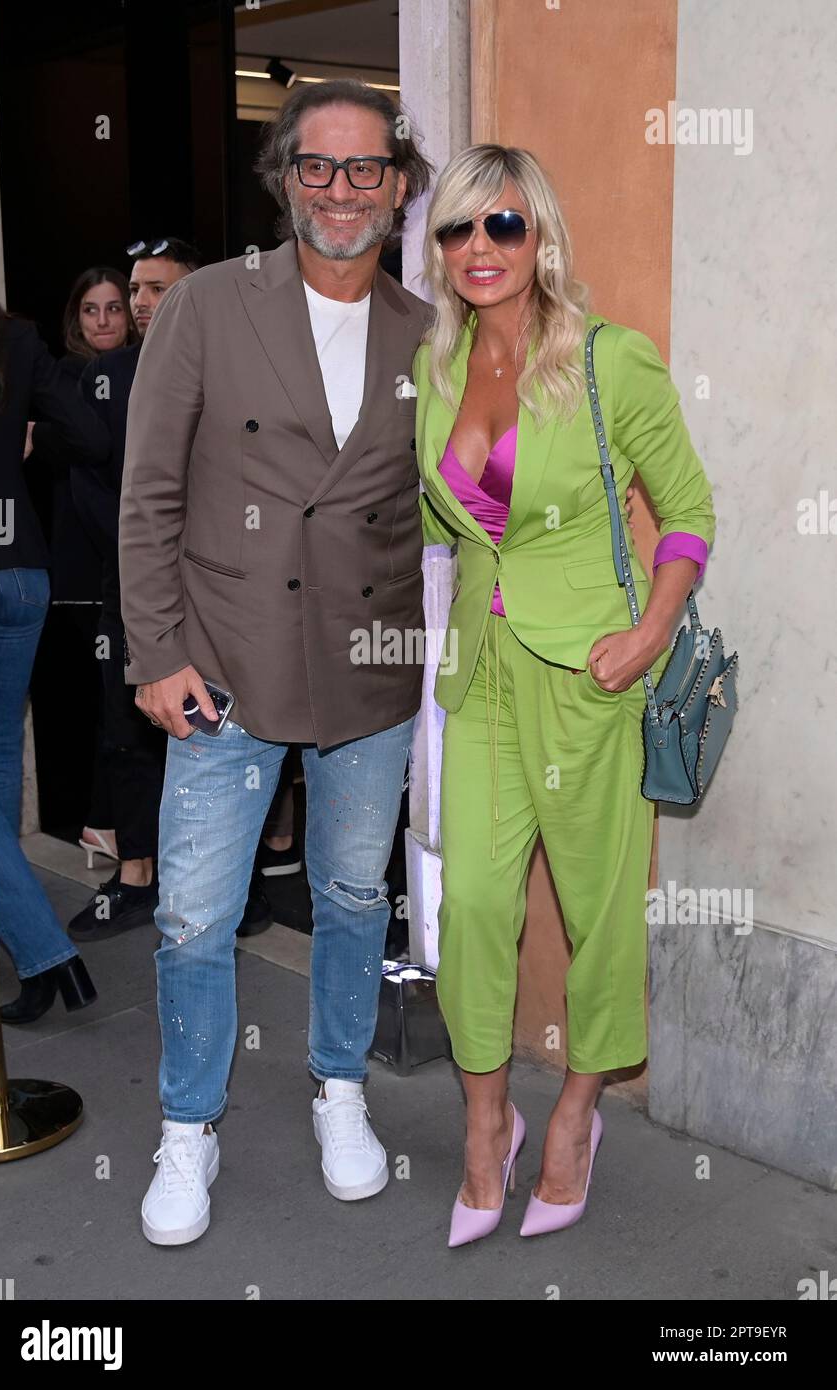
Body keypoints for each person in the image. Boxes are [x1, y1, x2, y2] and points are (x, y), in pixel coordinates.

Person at [118, 78, 432, 1244]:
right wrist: (155, 651)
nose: (340, 190)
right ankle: (187, 1126)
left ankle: (337, 1090)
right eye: (317, 168)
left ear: (396, 191)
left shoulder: (424, 330)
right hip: (224, 666)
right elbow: (146, 490)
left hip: (369, 667)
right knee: (195, 917)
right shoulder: (206, 304)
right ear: (284, 180)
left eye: (364, 171)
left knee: (355, 897)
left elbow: (453, 502)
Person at [413, 145, 716, 1245]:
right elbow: (451, 529)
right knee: (474, 906)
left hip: (592, 678)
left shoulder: (604, 360)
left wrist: (645, 634)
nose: (479, 249)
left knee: (598, 919)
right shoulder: (436, 369)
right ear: (438, 249)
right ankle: (483, 1121)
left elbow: (684, 512)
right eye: (456, 229)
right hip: (484, 679)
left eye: (501, 225)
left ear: (540, 236)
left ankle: (576, 1115)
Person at [0, 210, 108, 1023]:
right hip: (22, 574)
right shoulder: (19, 340)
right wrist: (27, 445)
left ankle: (45, 950)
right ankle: (22, 955)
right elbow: (90, 434)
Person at [65, 239, 199, 942]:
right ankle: (136, 874)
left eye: (157, 288)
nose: (142, 303)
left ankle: (218, 883)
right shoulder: (109, 375)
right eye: (137, 289)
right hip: (131, 581)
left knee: (210, 731)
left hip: (209, 583)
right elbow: (92, 479)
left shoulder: (220, 367)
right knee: (125, 731)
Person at [28, 267, 137, 872]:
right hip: (85, 572)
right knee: (112, 703)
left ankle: (105, 823)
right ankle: (104, 823)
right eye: (91, 309)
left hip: (117, 569)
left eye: (114, 308)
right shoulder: (67, 383)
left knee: (118, 703)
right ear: (75, 317)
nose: (103, 320)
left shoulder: (140, 375)